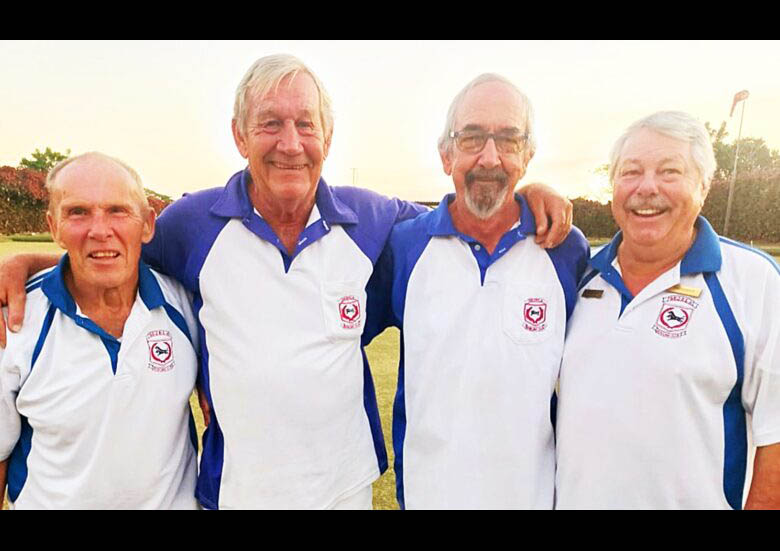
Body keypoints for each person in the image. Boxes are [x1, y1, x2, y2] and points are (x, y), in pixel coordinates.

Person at [0, 55, 572, 509]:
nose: (290, 143)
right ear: (238, 135)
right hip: (238, 493)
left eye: (306, 124)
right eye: (269, 124)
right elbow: (113, 245)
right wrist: (32, 264)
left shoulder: (375, 221)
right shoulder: (191, 225)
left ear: (328, 134)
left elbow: (467, 215)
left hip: (346, 489)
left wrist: (528, 194)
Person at [365, 74, 588, 509]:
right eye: (472, 137)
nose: (490, 157)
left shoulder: (565, 250)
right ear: (446, 154)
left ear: (528, 155)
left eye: (508, 139)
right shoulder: (405, 246)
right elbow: (333, 340)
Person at [555, 111, 780, 509]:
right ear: (612, 186)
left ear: (704, 186)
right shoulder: (577, 276)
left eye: (669, 172)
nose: (646, 188)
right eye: (631, 172)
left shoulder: (754, 281)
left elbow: (775, 433)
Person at [0, 152, 199, 509]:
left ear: (148, 224)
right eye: (77, 212)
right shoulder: (14, 324)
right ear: (53, 226)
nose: (99, 230)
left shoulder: (186, 305)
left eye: (117, 211)